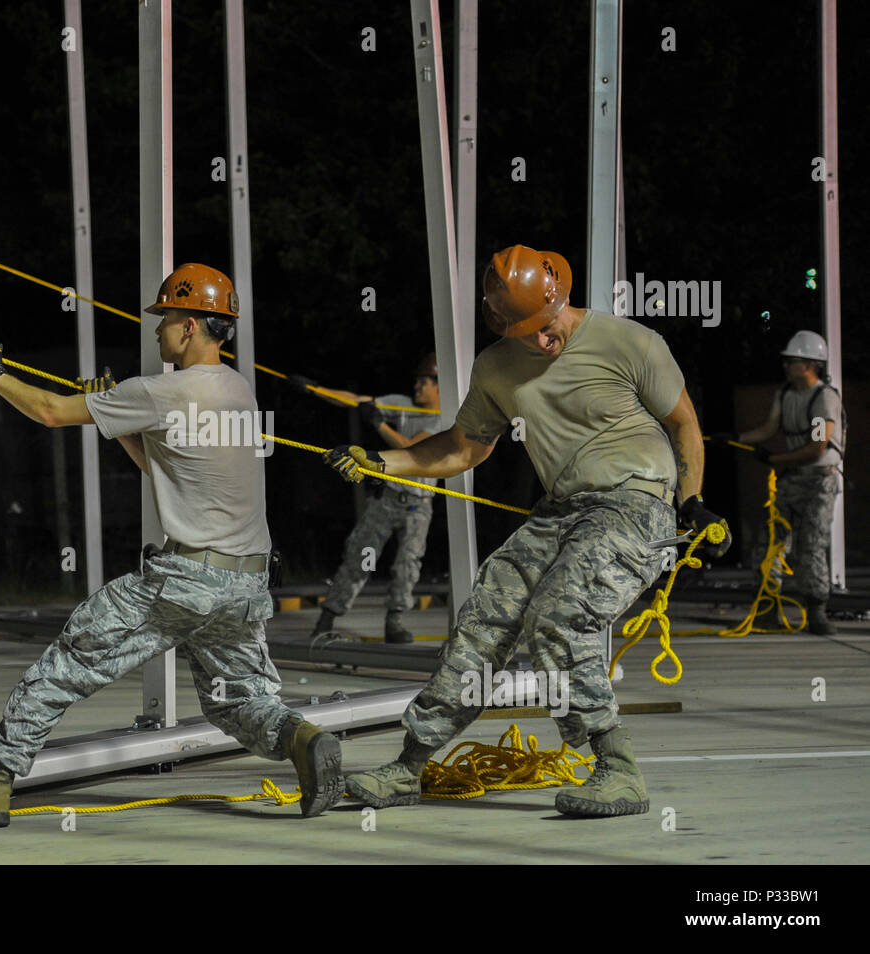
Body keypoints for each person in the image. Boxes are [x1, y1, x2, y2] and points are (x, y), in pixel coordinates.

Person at [324, 245, 731, 818]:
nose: (542, 340)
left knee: (559, 616)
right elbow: (463, 447)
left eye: (547, 324)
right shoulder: (496, 367)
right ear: (500, 324)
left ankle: (619, 770)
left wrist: (692, 503)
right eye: (524, 331)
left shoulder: (629, 343)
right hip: (561, 508)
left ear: (561, 295)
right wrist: (381, 462)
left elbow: (683, 423)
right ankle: (409, 767)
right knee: (483, 618)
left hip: (635, 501)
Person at [0, 263, 343, 827]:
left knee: (73, 658)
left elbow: (49, 411)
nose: (158, 330)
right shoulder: (239, 391)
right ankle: (304, 738)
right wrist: (117, 420)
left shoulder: (159, 391)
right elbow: (169, 466)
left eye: (165, 319)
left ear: (190, 326)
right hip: (247, 582)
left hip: (186, 581)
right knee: (237, 700)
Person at [292, 358, 442, 643]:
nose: (416, 386)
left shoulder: (442, 419)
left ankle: (394, 621)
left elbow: (412, 449)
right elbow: (354, 399)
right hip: (387, 498)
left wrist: (378, 423)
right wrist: (315, 389)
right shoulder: (402, 403)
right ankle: (327, 618)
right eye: (417, 380)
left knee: (408, 564)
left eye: (423, 381)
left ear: (438, 386)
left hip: (418, 504)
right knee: (360, 556)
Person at [730, 331, 844, 635]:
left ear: (810, 364)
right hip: (792, 477)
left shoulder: (823, 398)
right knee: (770, 542)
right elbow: (769, 428)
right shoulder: (786, 394)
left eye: (792, 361)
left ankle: (817, 611)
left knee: (812, 544)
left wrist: (776, 459)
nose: (786, 366)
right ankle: (768, 609)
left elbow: (818, 447)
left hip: (819, 481)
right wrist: (736, 439)